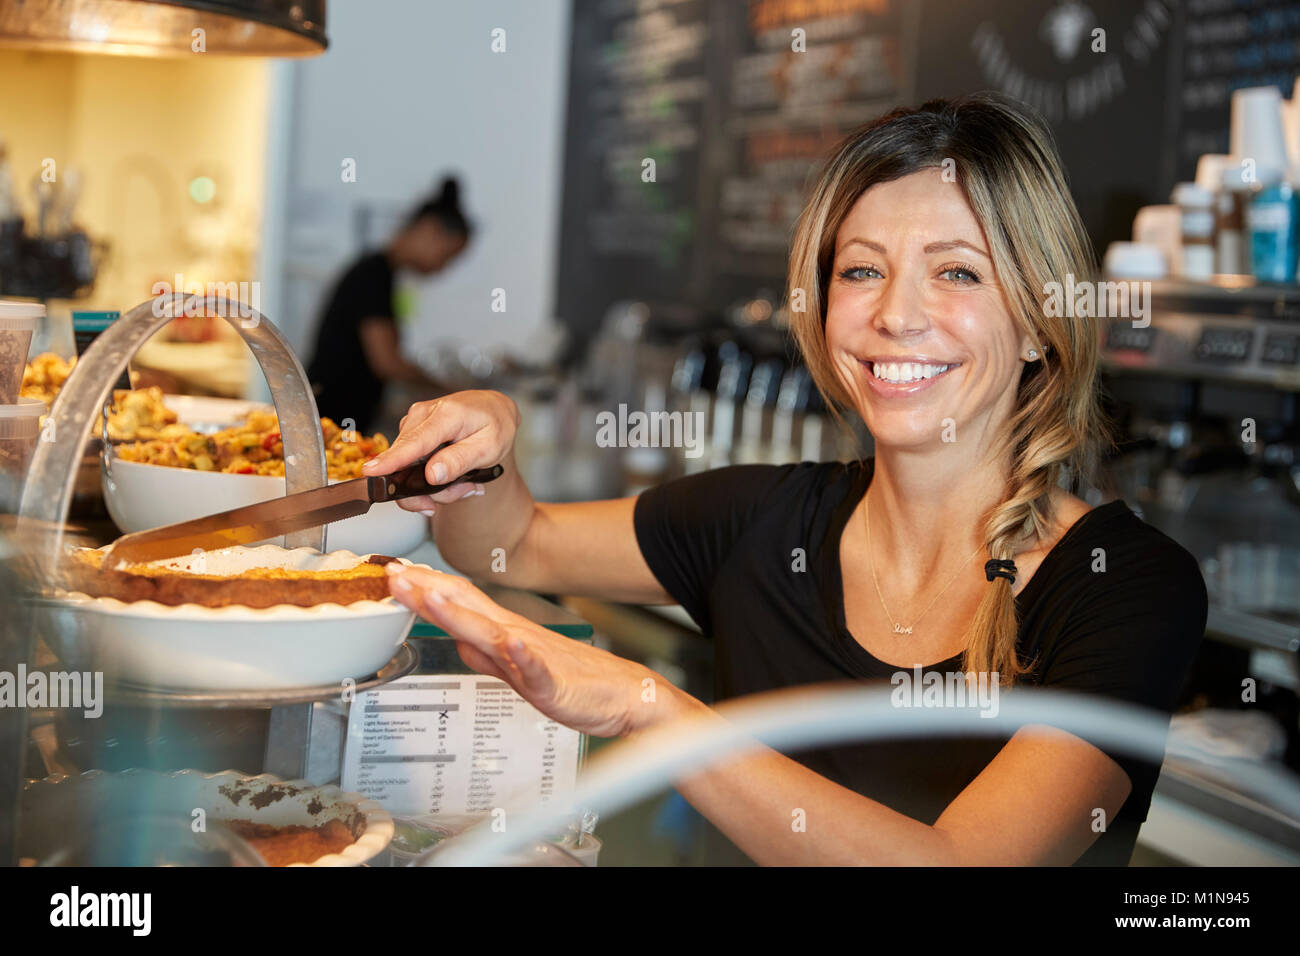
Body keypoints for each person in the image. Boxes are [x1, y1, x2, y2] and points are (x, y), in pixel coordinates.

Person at [362, 94, 1207, 866]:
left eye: (957, 272)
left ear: (1038, 324)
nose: (895, 316)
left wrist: (651, 709)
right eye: (862, 270)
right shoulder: (760, 521)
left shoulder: (1123, 587)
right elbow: (511, 545)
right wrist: (484, 441)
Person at [305, 177, 471, 433]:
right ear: (430, 230)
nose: (442, 268)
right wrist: (448, 391)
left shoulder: (382, 273)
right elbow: (387, 361)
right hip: (330, 421)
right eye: (447, 256)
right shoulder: (373, 275)